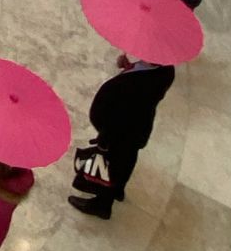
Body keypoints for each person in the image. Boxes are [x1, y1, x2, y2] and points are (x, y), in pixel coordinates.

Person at [68, 54, 175, 219]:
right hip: (135, 131)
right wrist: (130, 67)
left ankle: (102, 205)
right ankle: (117, 189)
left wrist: (104, 140)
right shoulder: (165, 70)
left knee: (112, 165)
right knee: (126, 161)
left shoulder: (139, 85)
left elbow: (122, 115)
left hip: (119, 133)